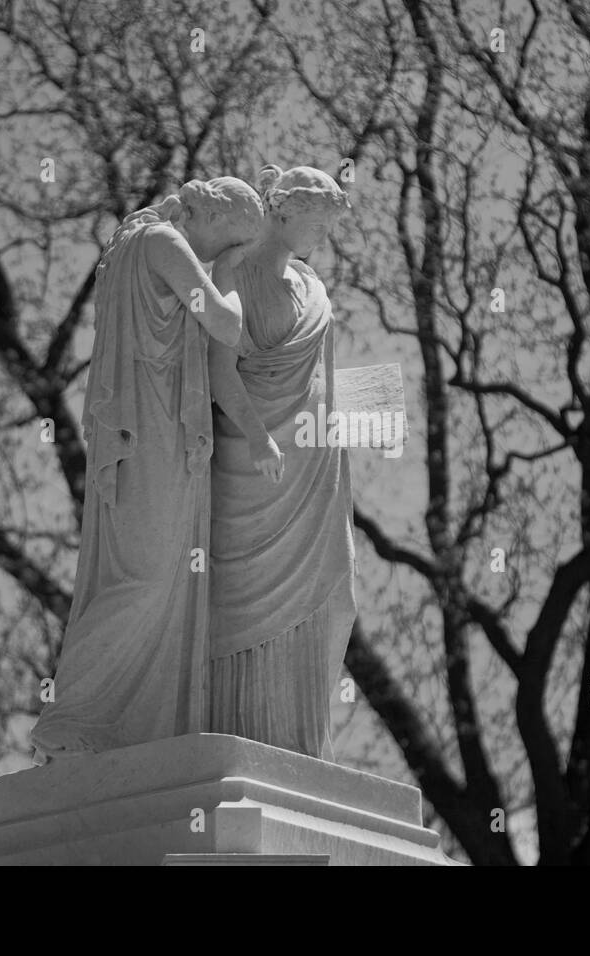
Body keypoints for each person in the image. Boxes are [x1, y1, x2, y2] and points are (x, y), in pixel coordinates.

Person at [31, 178, 263, 763]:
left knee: (153, 577)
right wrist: (232, 274)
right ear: (207, 213)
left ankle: (125, 724)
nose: (217, 256)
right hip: (151, 436)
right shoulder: (161, 241)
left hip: (160, 434)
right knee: (146, 577)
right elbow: (225, 324)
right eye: (225, 242)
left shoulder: (137, 243)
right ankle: (72, 715)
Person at [207, 164, 357, 760]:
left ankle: (301, 744)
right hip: (253, 473)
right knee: (243, 606)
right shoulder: (232, 272)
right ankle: (243, 742)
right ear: (282, 210)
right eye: (317, 220)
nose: (322, 234)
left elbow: (325, 381)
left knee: (334, 594)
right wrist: (259, 438)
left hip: (314, 475)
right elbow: (221, 373)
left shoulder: (312, 287)